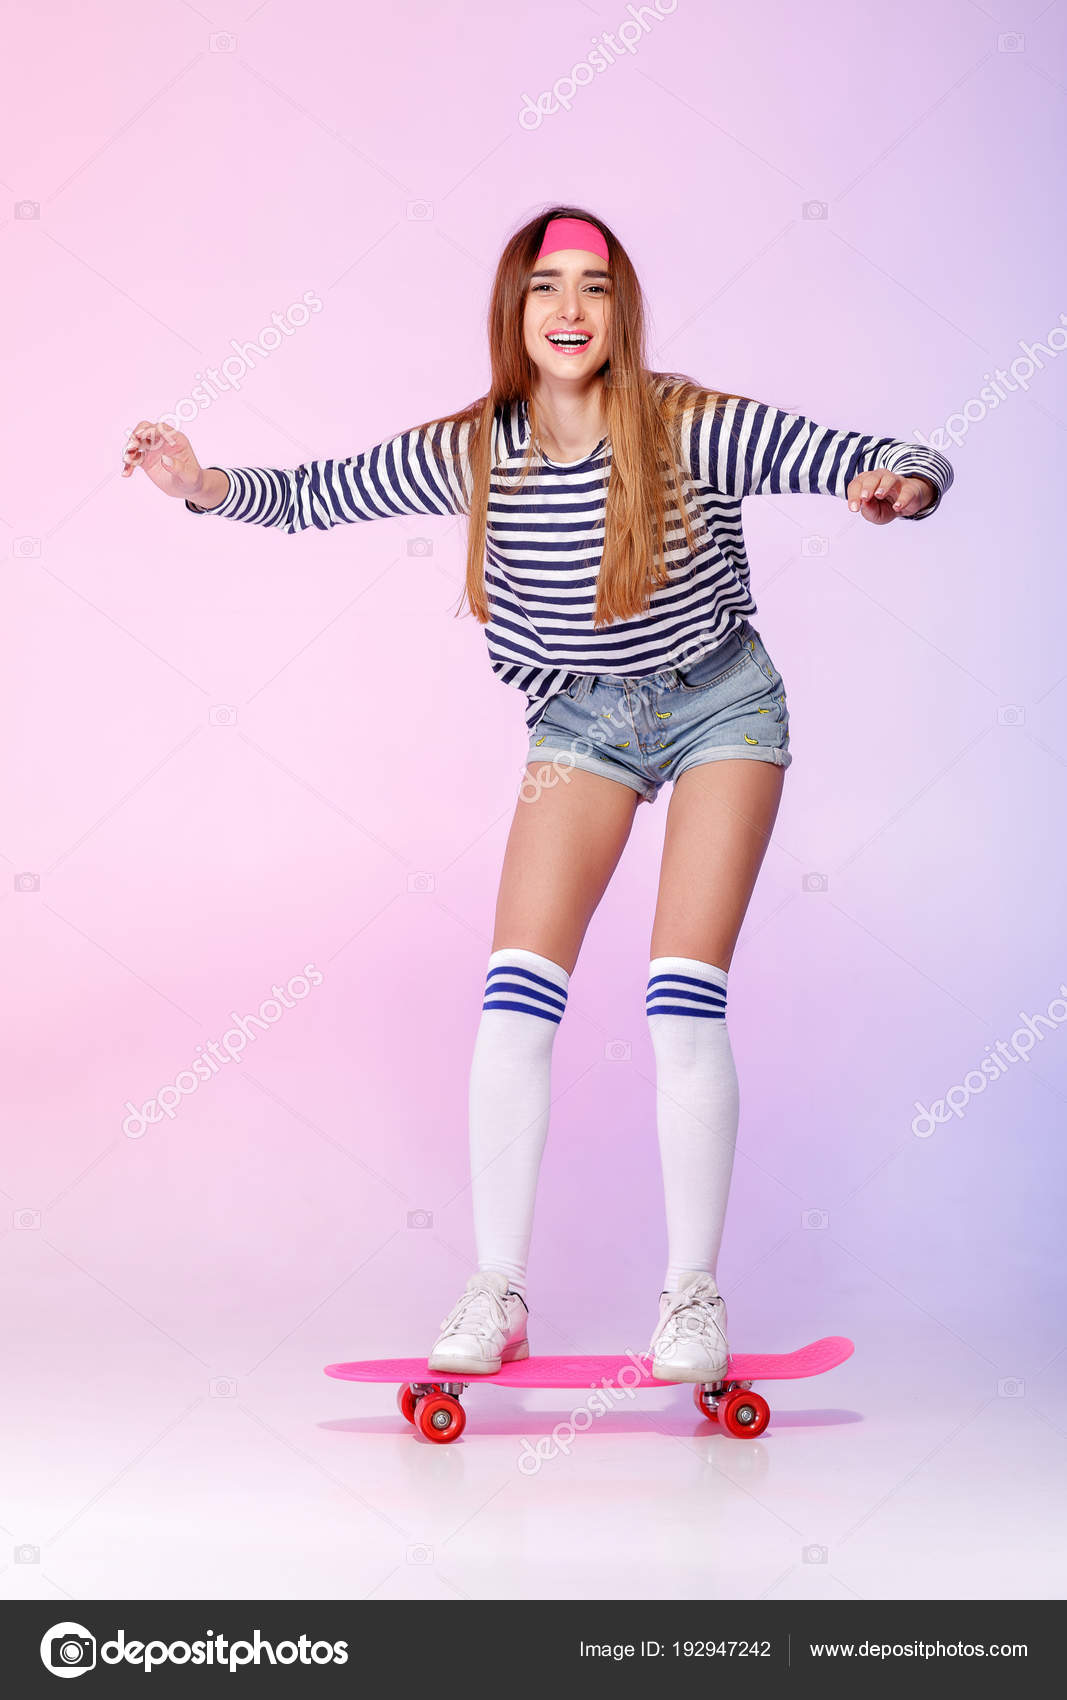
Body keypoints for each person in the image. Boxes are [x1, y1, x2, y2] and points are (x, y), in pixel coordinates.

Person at [122, 206, 953, 1385]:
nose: (569, 309)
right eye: (544, 287)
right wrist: (199, 482)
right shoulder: (479, 448)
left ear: (621, 311)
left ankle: (690, 1295)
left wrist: (897, 485)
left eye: (593, 287)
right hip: (578, 722)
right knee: (516, 995)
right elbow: (319, 490)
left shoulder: (687, 424)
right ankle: (497, 1284)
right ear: (513, 312)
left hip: (721, 704)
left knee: (679, 990)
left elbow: (876, 452)